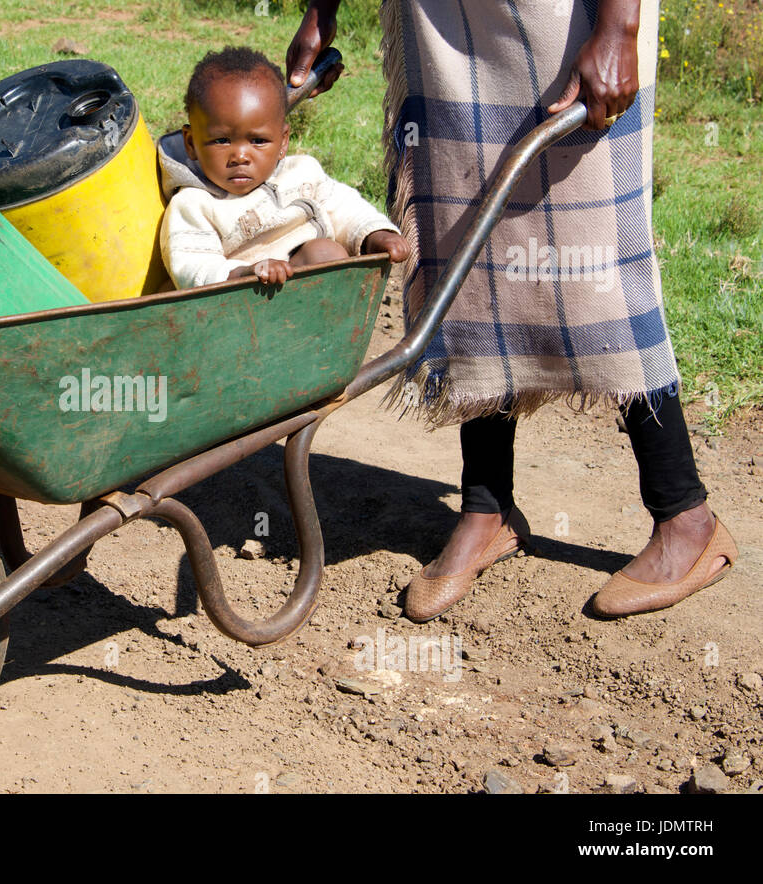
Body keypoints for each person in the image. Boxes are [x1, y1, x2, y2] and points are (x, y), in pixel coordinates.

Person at [286, 0, 736, 621]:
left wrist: (619, 27)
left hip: (565, 20)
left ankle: (684, 515)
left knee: (599, 267)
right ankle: (487, 505)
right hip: (446, 22)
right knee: (468, 248)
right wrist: (322, 7)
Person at [158, 46, 409, 290]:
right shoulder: (193, 205)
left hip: (311, 292)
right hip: (240, 304)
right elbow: (193, 266)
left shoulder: (302, 174)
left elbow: (345, 209)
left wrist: (375, 233)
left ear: (283, 141)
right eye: (221, 140)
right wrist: (243, 274)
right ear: (191, 143)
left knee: (324, 253)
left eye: (258, 141)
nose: (240, 156)